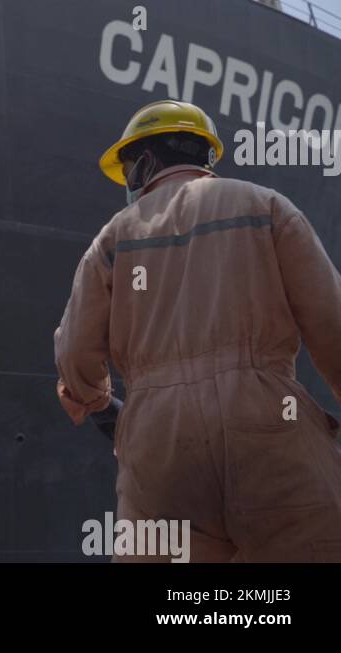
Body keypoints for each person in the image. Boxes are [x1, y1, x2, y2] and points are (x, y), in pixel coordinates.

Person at [55, 99, 341, 562]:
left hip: (158, 441)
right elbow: (332, 323)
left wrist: (93, 398)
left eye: (129, 168)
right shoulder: (265, 206)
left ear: (145, 162)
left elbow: (73, 353)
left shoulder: (112, 239)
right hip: (267, 417)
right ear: (205, 157)